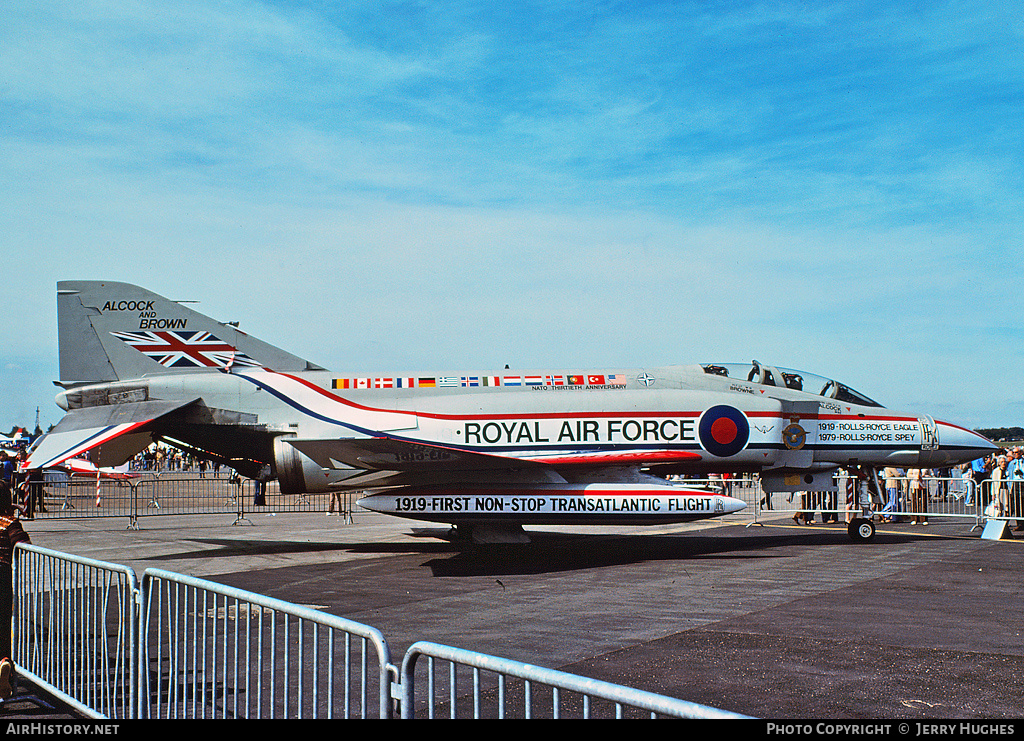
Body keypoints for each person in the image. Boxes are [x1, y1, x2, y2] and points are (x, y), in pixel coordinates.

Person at [0, 481, 29, 700]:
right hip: (2, 574)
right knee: (3, 625)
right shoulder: (9, 522)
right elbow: (23, 543)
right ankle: (3, 662)